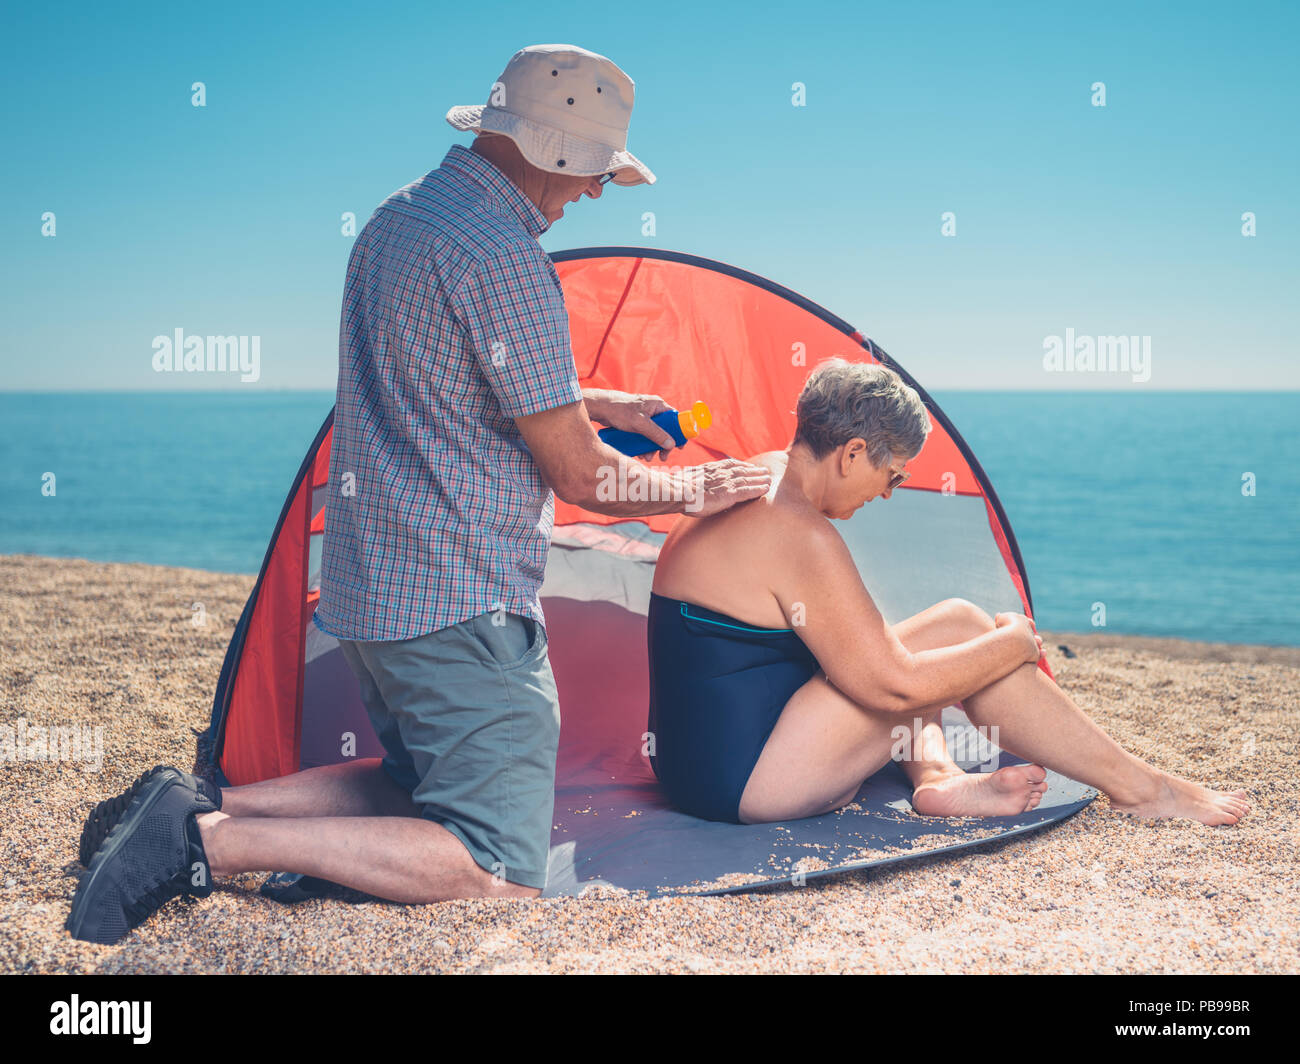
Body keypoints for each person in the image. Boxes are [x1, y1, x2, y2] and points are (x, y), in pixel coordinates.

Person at [67, 44, 771, 945]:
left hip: (374, 592)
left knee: (419, 785)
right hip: (461, 605)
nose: (593, 194)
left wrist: (593, 400)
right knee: (498, 865)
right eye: (592, 172)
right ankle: (208, 842)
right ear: (549, 151)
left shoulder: (399, 220)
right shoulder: (507, 259)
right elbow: (584, 474)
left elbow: (437, 377)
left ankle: (196, 799)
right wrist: (701, 487)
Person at [647, 357, 1251, 829]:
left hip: (694, 764)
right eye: (893, 474)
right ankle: (1144, 789)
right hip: (747, 783)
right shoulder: (799, 531)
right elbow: (894, 684)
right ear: (853, 452)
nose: (888, 493)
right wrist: (1014, 644)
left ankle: (937, 776)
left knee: (956, 623)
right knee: (947, 650)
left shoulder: (752, 478)